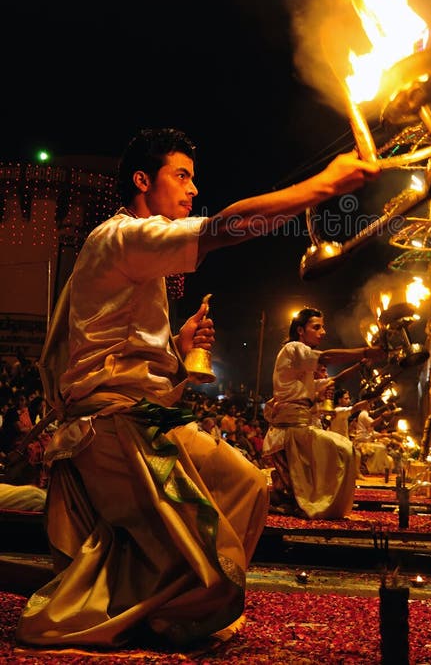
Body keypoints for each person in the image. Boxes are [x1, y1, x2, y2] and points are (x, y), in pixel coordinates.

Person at [16, 127, 381, 651]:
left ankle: (171, 608)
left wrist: (178, 349)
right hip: (115, 423)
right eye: (180, 176)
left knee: (248, 484)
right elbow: (225, 227)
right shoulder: (123, 236)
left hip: (140, 410)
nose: (191, 189)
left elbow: (138, 362)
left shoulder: (141, 256)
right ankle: (159, 609)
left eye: (193, 178)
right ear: (143, 181)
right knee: (204, 525)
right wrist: (323, 185)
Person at [262, 307, 385, 519]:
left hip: (301, 427)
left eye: (322, 327)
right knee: (343, 450)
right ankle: (299, 501)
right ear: (300, 330)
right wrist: (366, 351)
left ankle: (318, 502)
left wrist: (360, 364)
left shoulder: (304, 367)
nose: (323, 332)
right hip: (291, 429)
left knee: (345, 451)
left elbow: (334, 380)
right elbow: (326, 358)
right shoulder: (293, 348)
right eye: (316, 327)